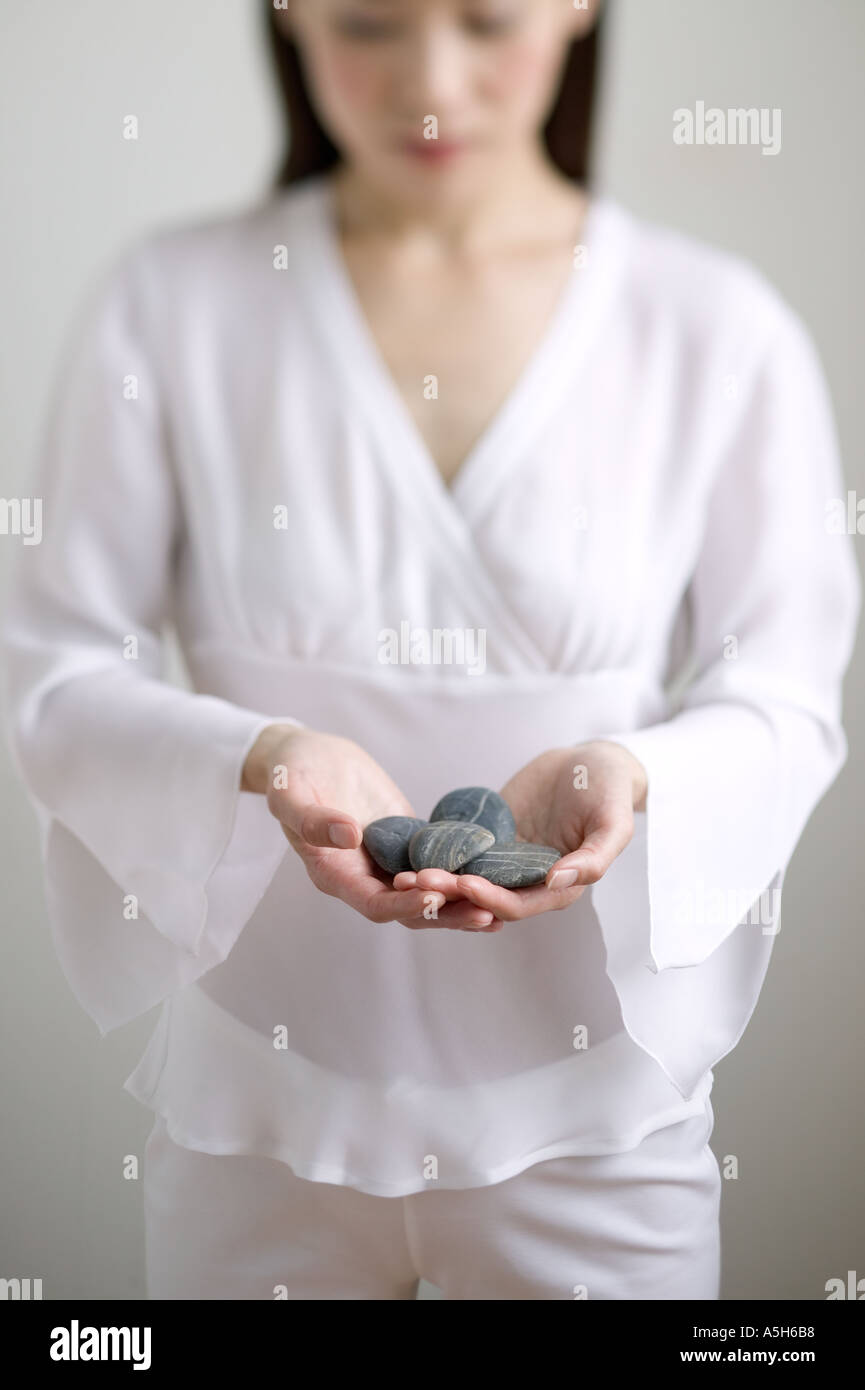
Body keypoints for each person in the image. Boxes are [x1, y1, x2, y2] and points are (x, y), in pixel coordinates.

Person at [2, 0, 859, 1301]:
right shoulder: (170, 303)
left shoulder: (713, 328)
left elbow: (787, 692)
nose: (429, 81)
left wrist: (631, 770)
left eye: (484, 19)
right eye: (369, 24)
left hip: (598, 1122)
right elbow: (55, 669)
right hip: (252, 1113)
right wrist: (263, 754)